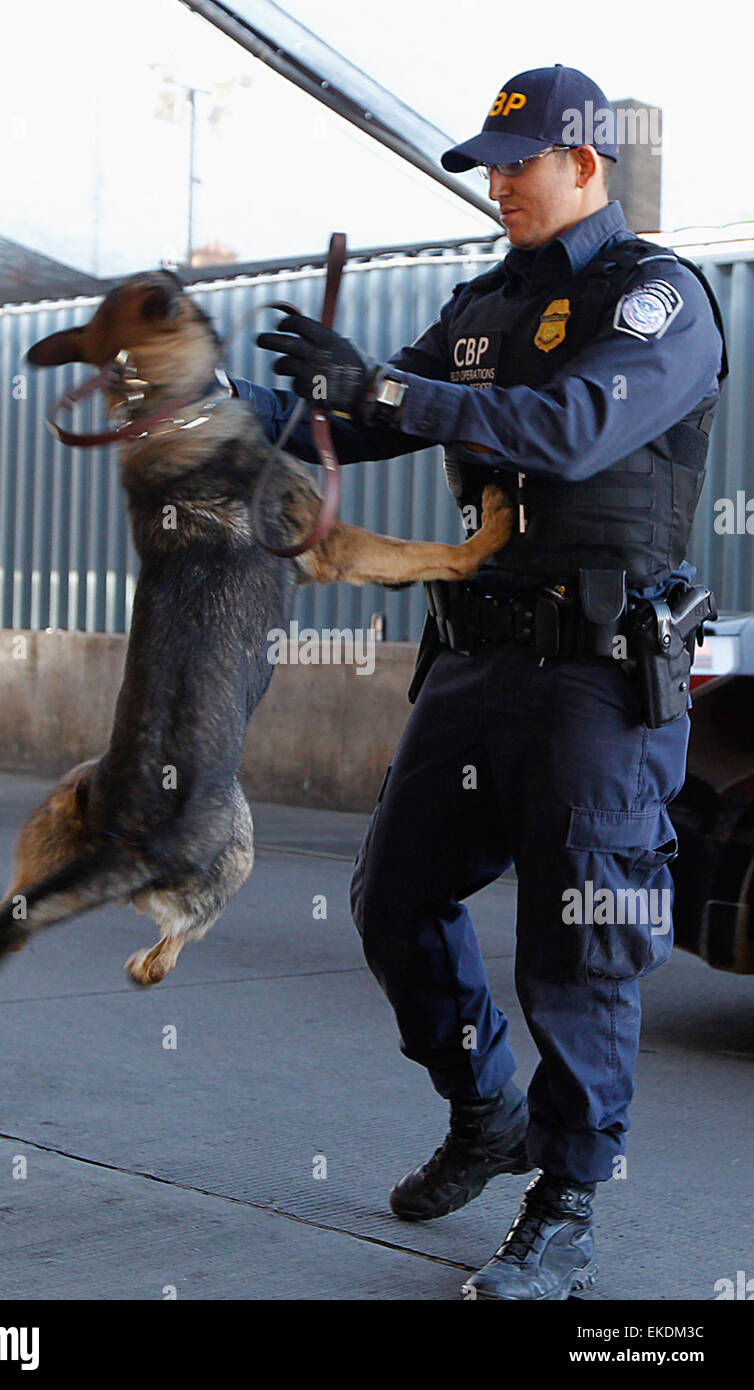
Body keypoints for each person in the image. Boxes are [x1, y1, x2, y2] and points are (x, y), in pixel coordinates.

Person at [234, 64, 727, 1300]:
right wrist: (209, 396)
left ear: (585, 164)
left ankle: (562, 1208)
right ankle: (485, 1109)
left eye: (519, 161)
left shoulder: (656, 298)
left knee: (581, 946)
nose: (498, 183)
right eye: (486, 165)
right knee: (393, 898)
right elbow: (345, 423)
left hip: (596, 679)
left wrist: (381, 387)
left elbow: (567, 429)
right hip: (472, 662)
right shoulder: (478, 304)